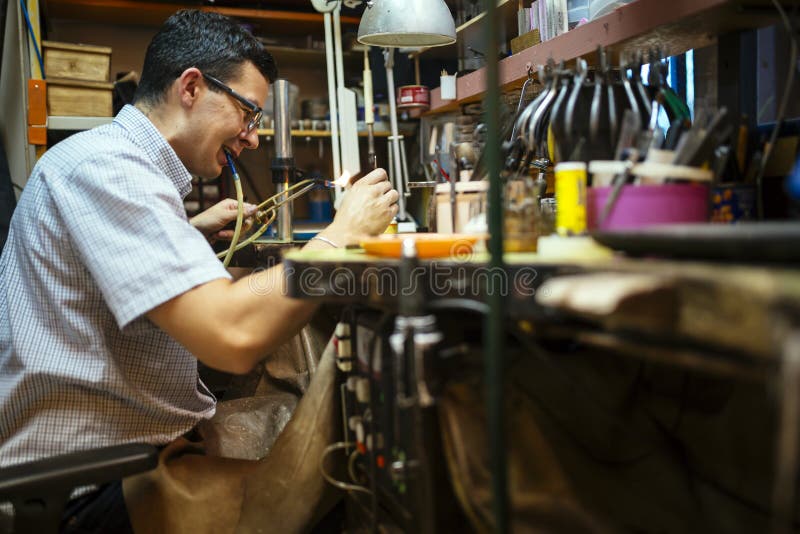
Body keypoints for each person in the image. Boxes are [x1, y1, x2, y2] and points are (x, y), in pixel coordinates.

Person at [0, 9, 398, 532]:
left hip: (123, 453)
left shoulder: (115, 164)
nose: (252, 138)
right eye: (249, 114)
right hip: (85, 487)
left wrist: (187, 233)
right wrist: (340, 235)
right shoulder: (109, 171)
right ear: (191, 87)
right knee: (339, 495)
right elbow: (229, 334)